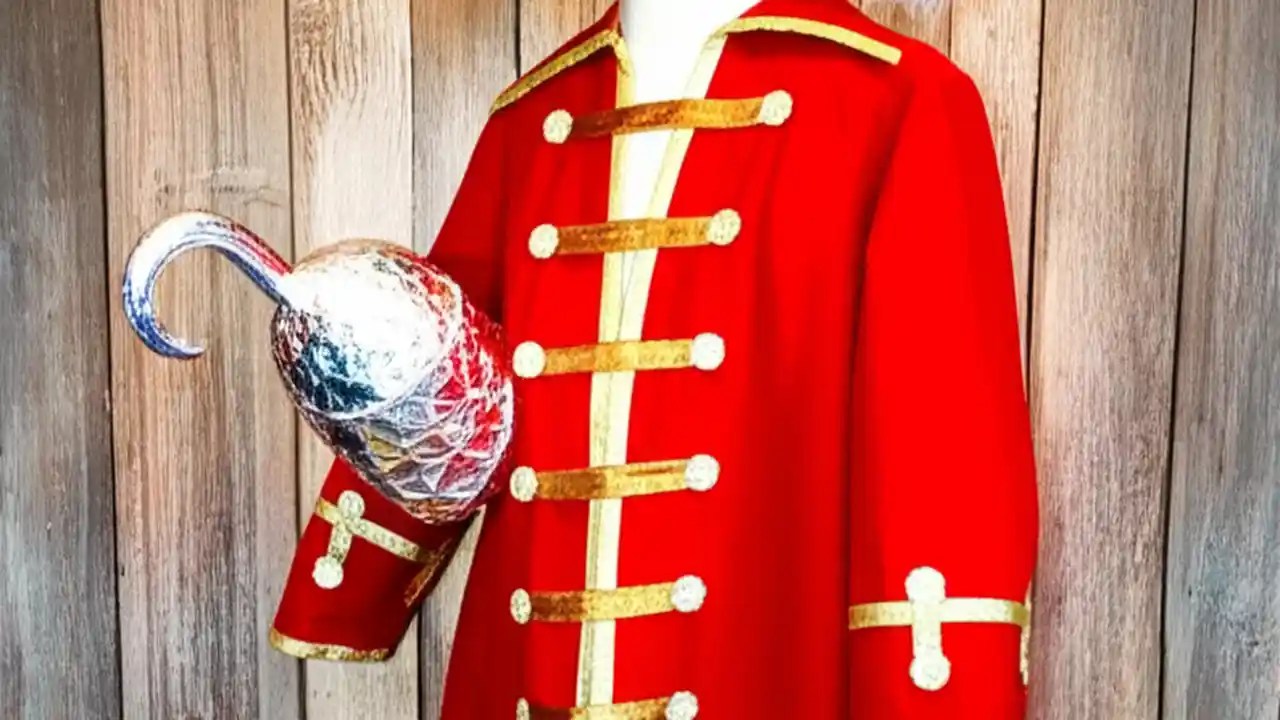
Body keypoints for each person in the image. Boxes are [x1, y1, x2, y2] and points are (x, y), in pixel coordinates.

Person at [270, 0, 1040, 717]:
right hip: (527, 664)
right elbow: (436, 385)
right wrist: (346, 577)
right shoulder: (535, 119)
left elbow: (943, 453)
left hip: (765, 660)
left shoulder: (895, 104)